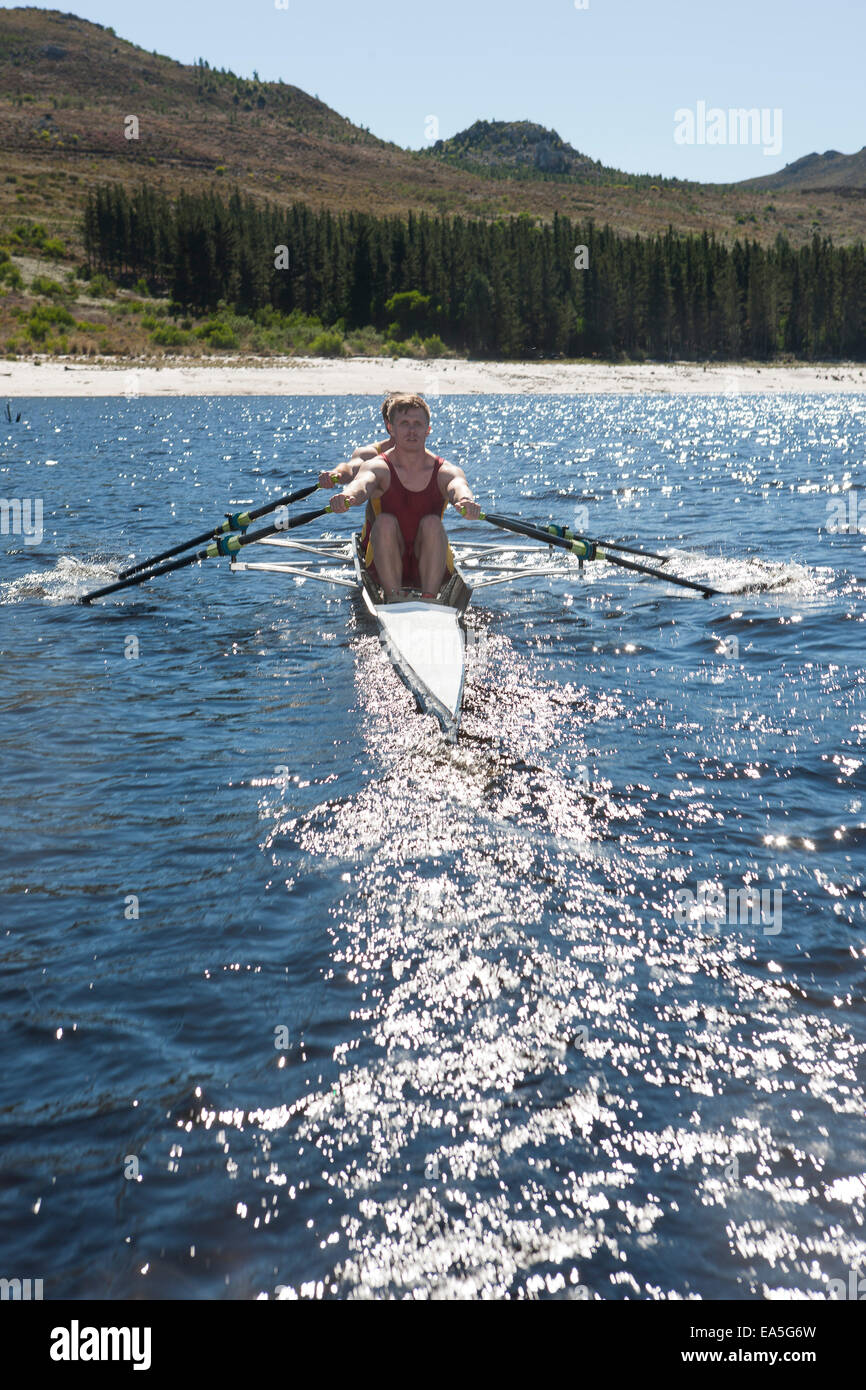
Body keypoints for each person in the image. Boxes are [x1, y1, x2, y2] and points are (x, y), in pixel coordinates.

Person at [329, 393, 480, 601]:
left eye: (418, 424)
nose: (411, 430)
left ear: (428, 430)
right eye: (404, 424)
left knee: (432, 523)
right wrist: (348, 497)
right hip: (384, 560)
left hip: (429, 561)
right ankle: (393, 596)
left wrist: (466, 501)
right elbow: (361, 484)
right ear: (391, 428)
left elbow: (459, 486)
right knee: (384, 522)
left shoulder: (446, 470)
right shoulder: (377, 466)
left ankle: (429, 598)